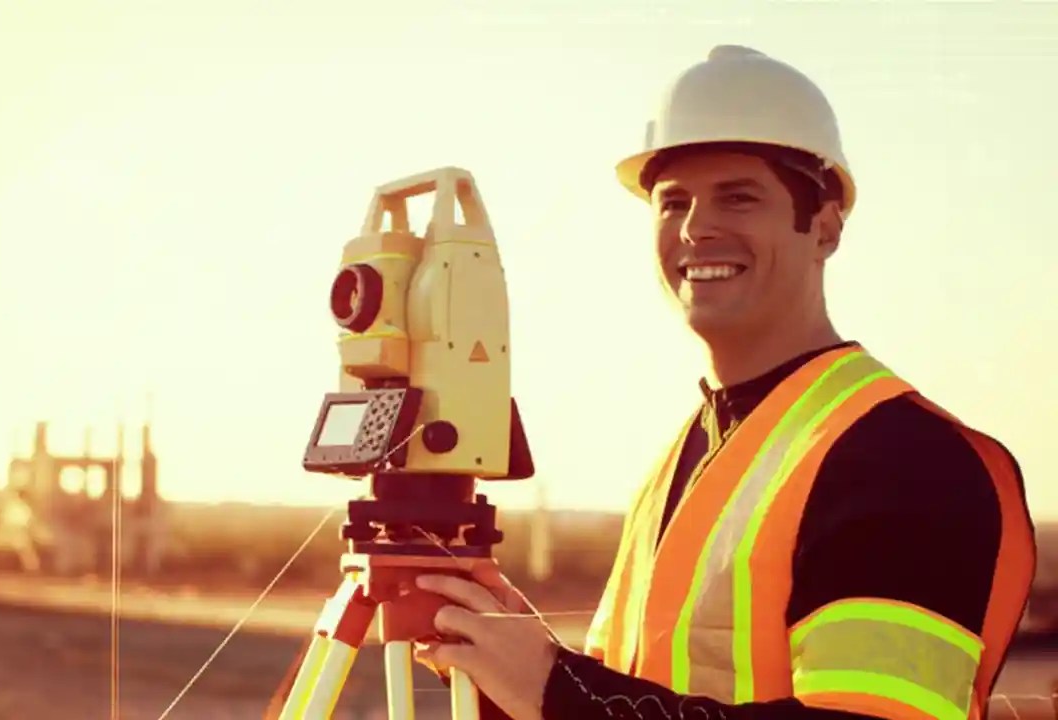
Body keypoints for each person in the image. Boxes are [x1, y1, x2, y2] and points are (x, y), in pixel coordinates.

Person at [413, 45, 1037, 720]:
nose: (695, 228)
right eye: (671, 202)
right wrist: (509, 669)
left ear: (824, 227)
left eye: (738, 198)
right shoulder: (693, 452)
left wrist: (560, 689)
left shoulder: (904, 458)